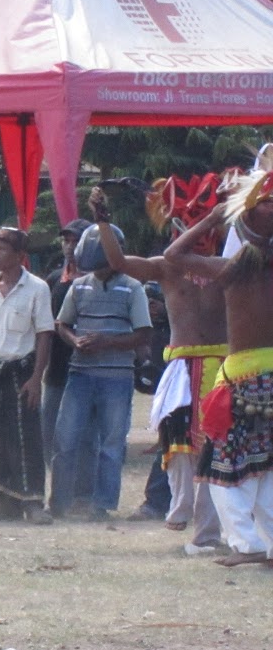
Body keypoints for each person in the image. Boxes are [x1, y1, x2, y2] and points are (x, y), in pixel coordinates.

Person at [92, 190, 227, 550]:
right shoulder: (167, 268)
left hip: (221, 367)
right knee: (180, 446)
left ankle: (209, 531)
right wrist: (103, 222)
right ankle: (183, 513)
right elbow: (118, 261)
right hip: (182, 369)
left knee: (213, 448)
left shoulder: (231, 266)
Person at [165, 176, 273, 564]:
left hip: (242, 379)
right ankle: (265, 543)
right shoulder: (239, 267)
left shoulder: (232, 269)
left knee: (223, 466)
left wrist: (212, 219)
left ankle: (248, 544)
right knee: (266, 467)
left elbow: (174, 255)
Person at [49, 224, 151, 520]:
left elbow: (144, 334)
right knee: (65, 440)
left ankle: (102, 505)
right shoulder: (78, 287)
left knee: (111, 444)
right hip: (79, 373)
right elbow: (62, 324)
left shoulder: (132, 287)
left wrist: (107, 342)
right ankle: (59, 502)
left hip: (116, 377)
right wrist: (74, 340)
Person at [0, 226, 55, 523]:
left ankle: (32, 501)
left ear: (20, 255)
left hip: (21, 372)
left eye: (3, 248)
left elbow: (45, 335)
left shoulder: (37, 288)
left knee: (25, 437)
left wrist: (36, 378)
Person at [42, 218, 94, 491]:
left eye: (76, 240)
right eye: (66, 240)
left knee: (84, 434)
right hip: (57, 367)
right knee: (49, 429)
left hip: (89, 366)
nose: (70, 246)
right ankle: (60, 488)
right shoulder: (54, 279)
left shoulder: (98, 278)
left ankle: (83, 492)